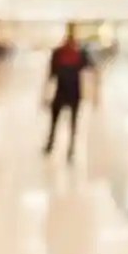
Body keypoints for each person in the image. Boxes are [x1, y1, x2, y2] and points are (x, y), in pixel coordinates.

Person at [44, 25, 92, 161]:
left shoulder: (59, 53)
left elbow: (51, 74)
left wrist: (46, 92)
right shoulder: (79, 53)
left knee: (55, 121)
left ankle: (51, 145)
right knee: (72, 122)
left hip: (62, 91)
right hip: (74, 92)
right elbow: (89, 69)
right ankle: (70, 149)